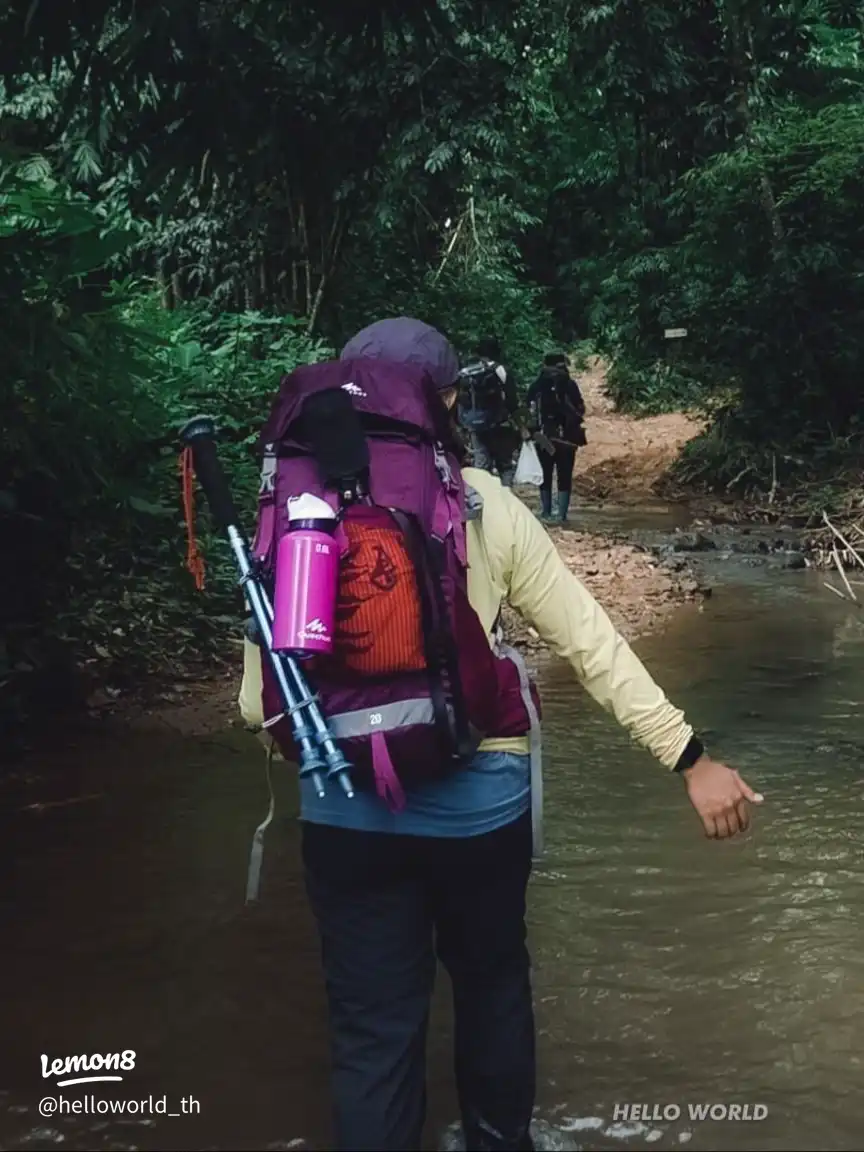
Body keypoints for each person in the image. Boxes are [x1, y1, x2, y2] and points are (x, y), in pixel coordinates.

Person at [238, 319, 763, 1152]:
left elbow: (254, 703)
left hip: (344, 811)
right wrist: (689, 757)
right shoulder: (480, 500)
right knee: (489, 988)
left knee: (373, 1030)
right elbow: (589, 643)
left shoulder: (296, 505)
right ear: (443, 401)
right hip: (477, 806)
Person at [526, 353, 586, 523]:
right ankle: (562, 515)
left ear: (544, 364)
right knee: (565, 474)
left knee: (544, 473)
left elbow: (528, 410)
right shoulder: (570, 384)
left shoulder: (537, 385)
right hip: (567, 437)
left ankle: (545, 512)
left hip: (543, 436)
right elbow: (580, 408)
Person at [457, 336, 522, 486]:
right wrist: (519, 423)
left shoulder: (467, 371)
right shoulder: (499, 370)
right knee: (505, 465)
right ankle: (505, 502)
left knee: (481, 466)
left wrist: (462, 424)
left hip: (475, 426)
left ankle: (483, 504)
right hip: (500, 425)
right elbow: (512, 400)